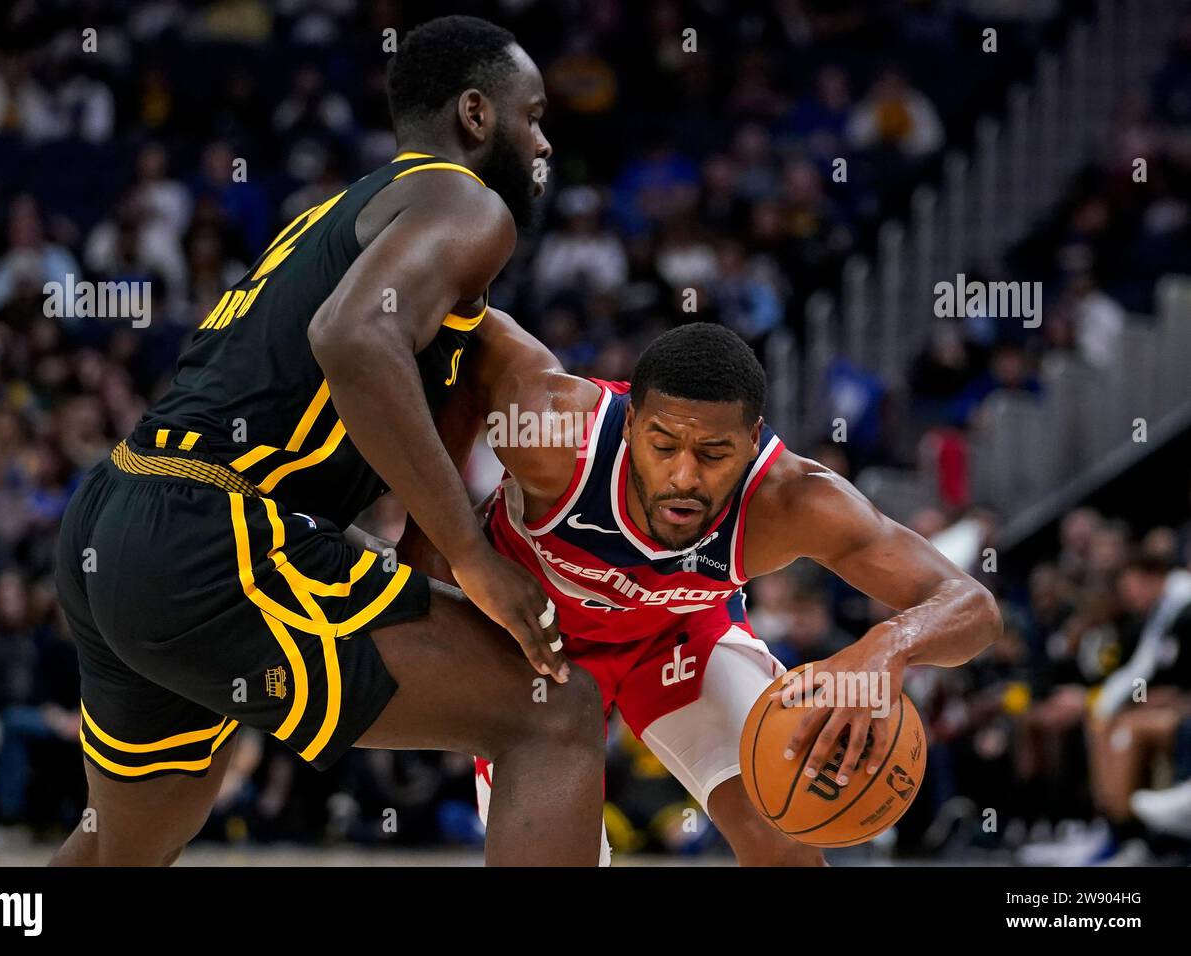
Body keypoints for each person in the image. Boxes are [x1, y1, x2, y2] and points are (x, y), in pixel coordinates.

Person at [52, 15, 606, 867]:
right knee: (554, 710)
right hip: (215, 535)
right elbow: (351, 340)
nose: (543, 140)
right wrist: (472, 556)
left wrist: (423, 559)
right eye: (532, 115)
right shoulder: (468, 204)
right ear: (475, 114)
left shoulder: (342, 214)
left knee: (111, 857)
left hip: (119, 516)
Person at [404, 315, 1002, 864]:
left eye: (715, 453)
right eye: (663, 447)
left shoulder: (792, 500)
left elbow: (973, 607)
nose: (685, 476)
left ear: (753, 440)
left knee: (785, 831)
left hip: (674, 637)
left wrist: (888, 646)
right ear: (631, 422)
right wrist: (446, 546)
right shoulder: (554, 430)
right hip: (529, 646)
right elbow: (471, 337)